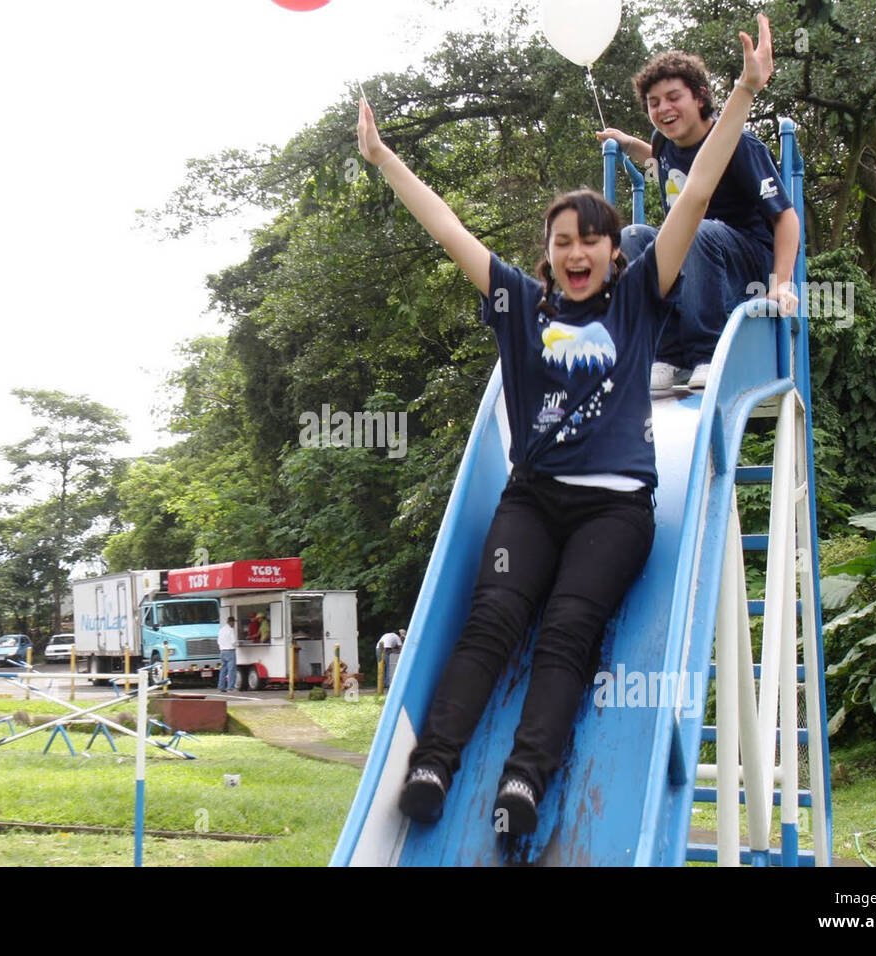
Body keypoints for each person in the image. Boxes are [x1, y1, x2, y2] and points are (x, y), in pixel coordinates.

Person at [358, 16, 776, 836]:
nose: (577, 252)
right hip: (534, 500)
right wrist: (382, 159)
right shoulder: (520, 303)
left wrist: (745, 93)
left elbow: (693, 194)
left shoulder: (638, 295)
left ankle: (522, 782)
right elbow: (446, 226)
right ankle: (435, 761)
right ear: (546, 256)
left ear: (615, 255)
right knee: (492, 621)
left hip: (617, 511)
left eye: (592, 240)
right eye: (562, 242)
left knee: (568, 632)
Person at [596, 47, 798, 390]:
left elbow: (786, 218)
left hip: (744, 265)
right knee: (632, 238)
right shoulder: (664, 142)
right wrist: (628, 143)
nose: (663, 108)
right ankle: (665, 353)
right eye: (654, 102)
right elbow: (663, 161)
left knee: (695, 231)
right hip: (695, 262)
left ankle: (707, 352)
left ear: (701, 97)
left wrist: (780, 283)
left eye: (674, 97)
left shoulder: (739, 144)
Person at [217, 616, 238, 692]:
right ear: (231, 622)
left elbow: (218, 641)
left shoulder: (221, 630)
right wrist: (237, 644)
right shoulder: (230, 630)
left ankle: (221, 687)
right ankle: (230, 687)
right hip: (230, 651)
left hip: (222, 651)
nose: (234, 624)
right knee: (231, 670)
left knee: (223, 670)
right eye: (234, 622)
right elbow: (233, 642)